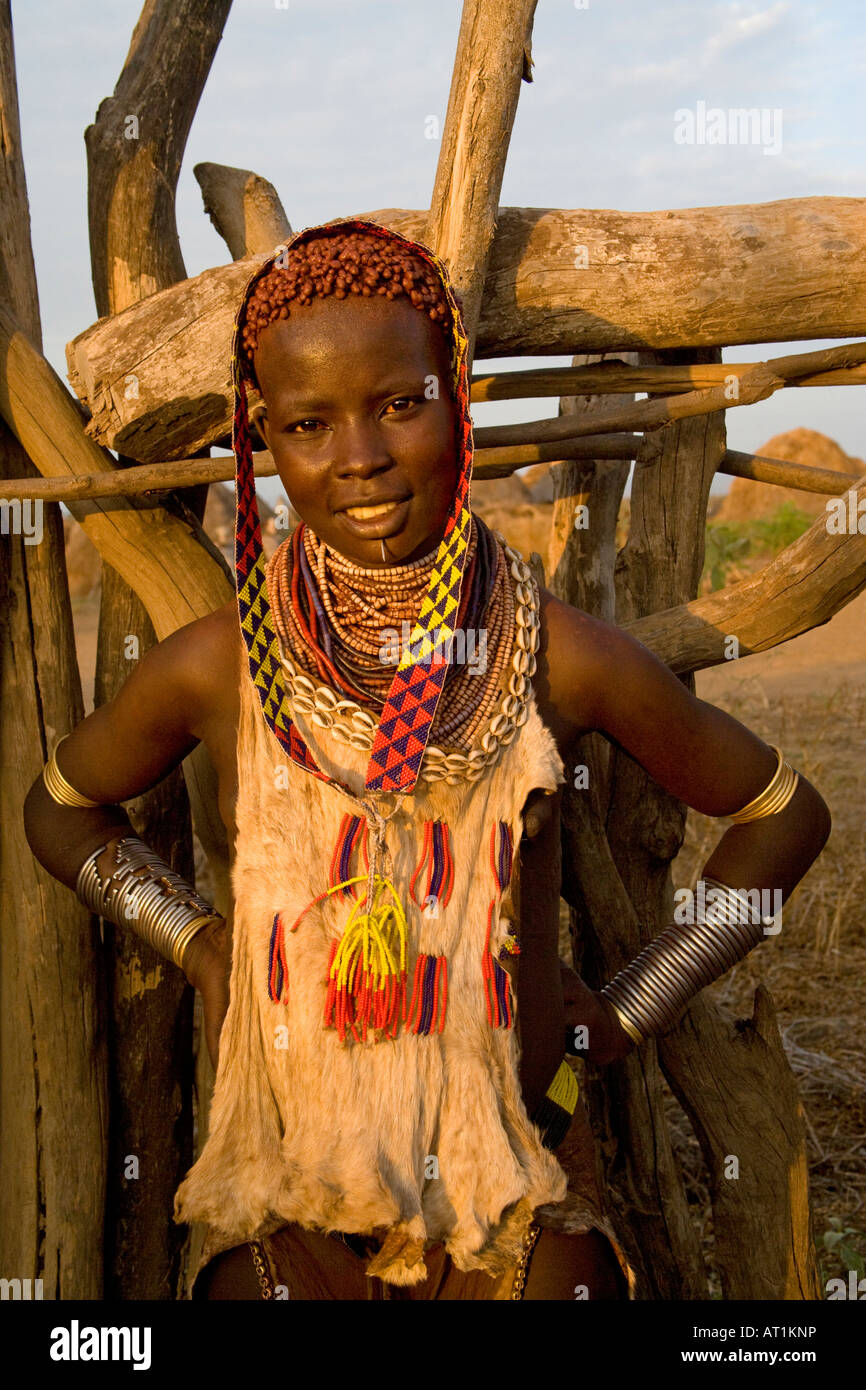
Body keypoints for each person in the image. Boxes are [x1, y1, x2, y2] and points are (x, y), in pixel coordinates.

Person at [24, 219, 831, 1301]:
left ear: (457, 402)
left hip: (514, 1188)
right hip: (287, 1198)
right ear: (263, 442)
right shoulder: (218, 666)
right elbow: (59, 807)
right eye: (309, 424)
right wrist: (203, 946)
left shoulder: (556, 656)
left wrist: (631, 1006)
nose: (359, 457)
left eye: (400, 405)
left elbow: (783, 815)